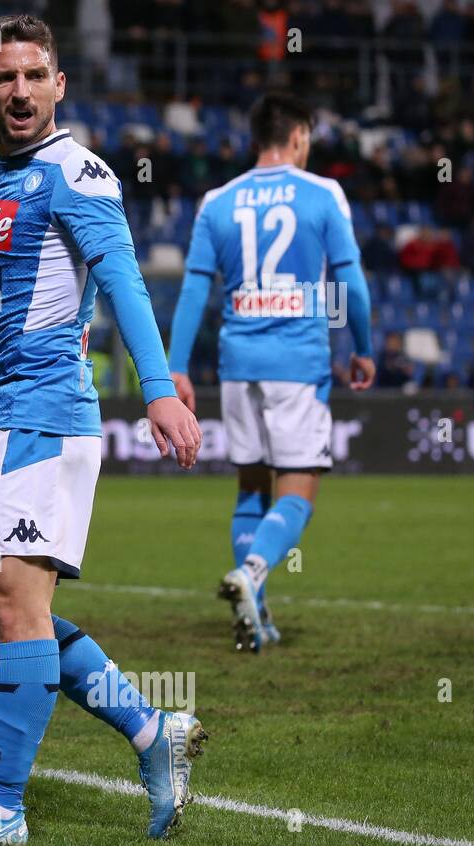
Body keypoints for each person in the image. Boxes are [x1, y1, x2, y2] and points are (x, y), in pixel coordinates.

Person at [0, 14, 205, 846]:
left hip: (47, 416)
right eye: (5, 78)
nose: (19, 90)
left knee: (16, 606)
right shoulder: (0, 185)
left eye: (34, 76)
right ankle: (151, 729)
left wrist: (158, 391)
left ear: (60, 86)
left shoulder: (75, 171)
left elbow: (123, 276)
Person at [168, 92, 375, 652]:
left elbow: (193, 289)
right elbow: (351, 283)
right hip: (297, 363)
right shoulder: (323, 193)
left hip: (239, 365)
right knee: (299, 486)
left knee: (251, 484)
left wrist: (176, 367)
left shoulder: (217, 200)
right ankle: (253, 574)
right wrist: (364, 347)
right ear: (300, 136)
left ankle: (253, 618)